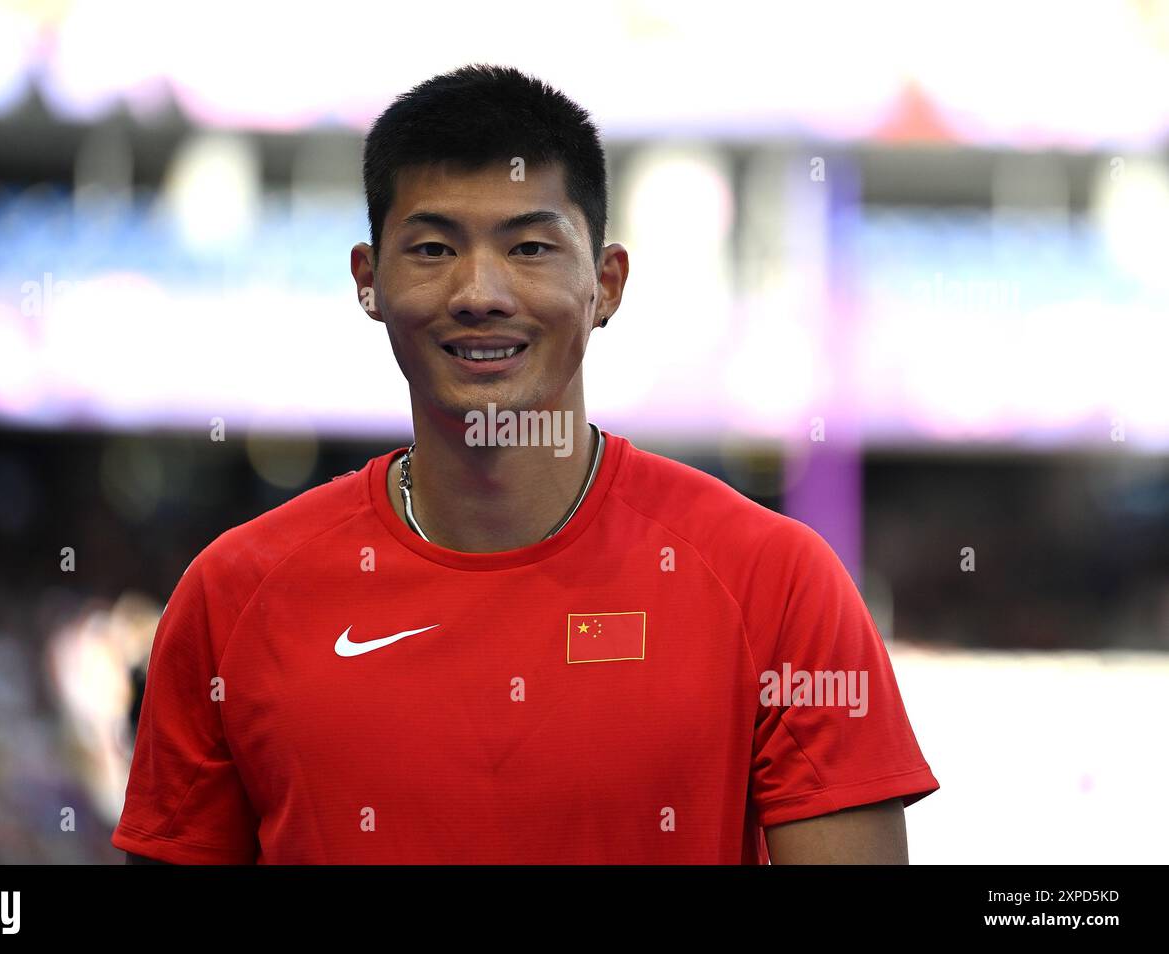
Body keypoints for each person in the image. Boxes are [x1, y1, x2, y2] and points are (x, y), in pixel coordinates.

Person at [113, 63, 938, 865]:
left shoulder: (778, 585)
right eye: (432, 248)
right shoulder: (231, 598)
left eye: (531, 248)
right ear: (368, 282)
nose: (480, 292)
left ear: (605, 283)